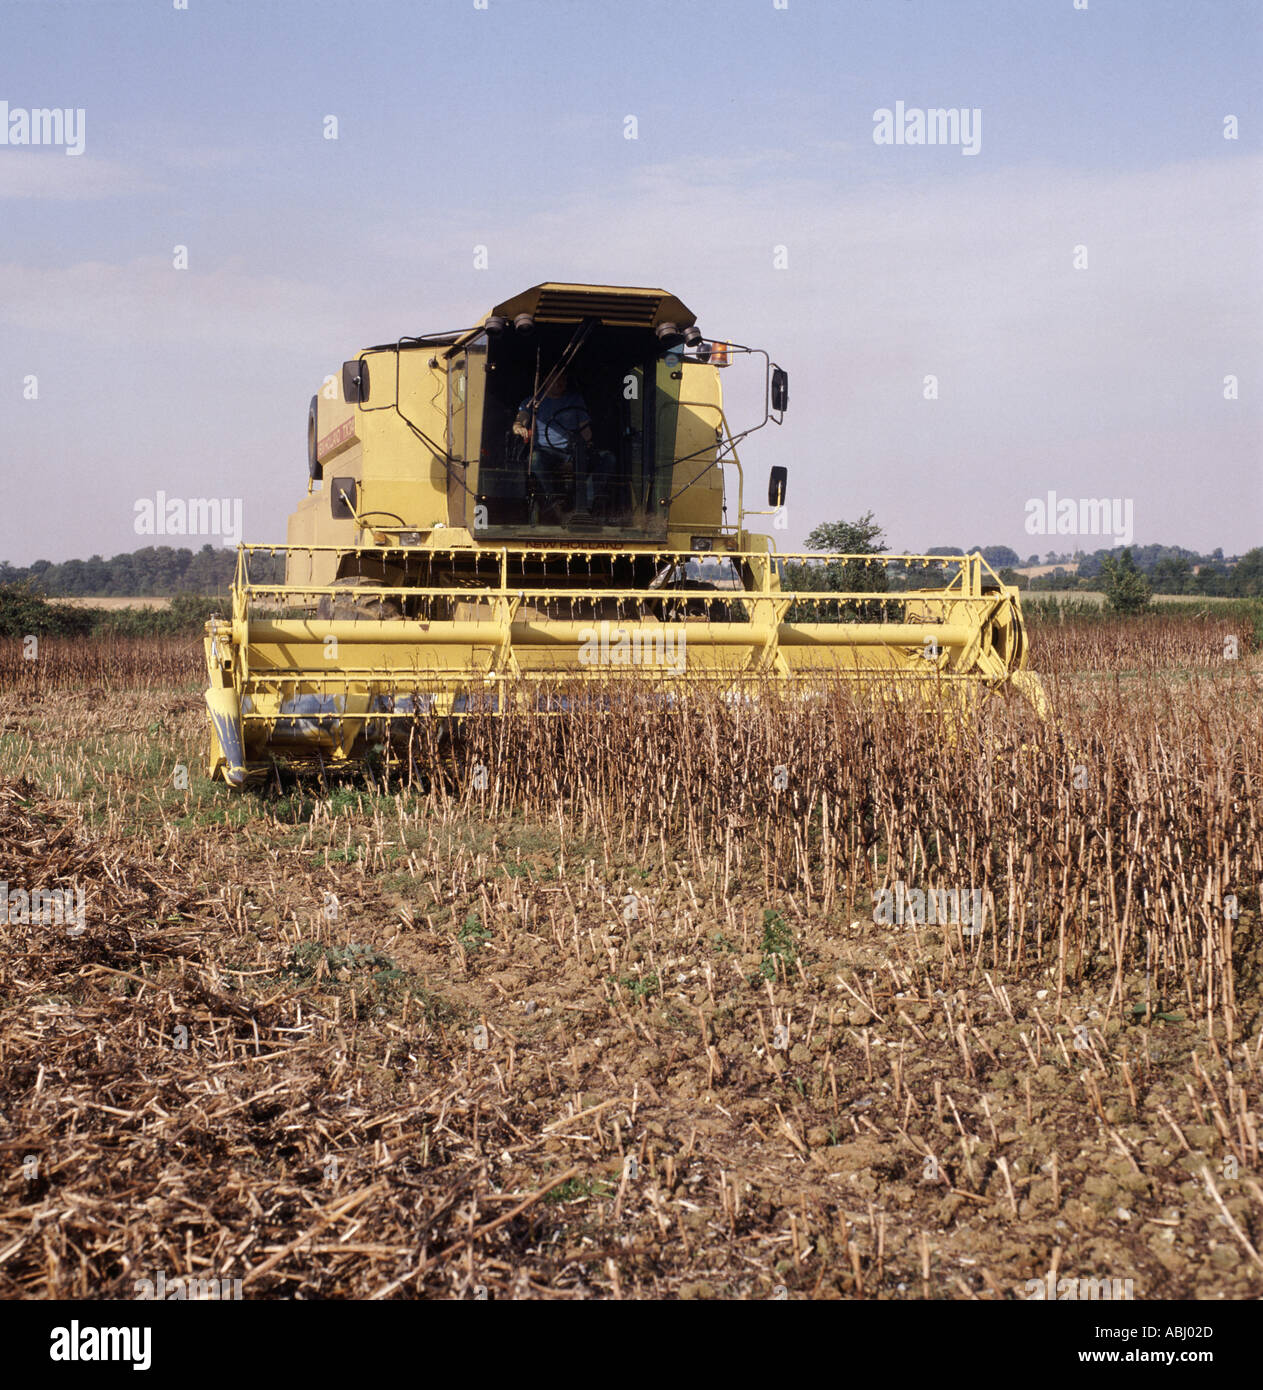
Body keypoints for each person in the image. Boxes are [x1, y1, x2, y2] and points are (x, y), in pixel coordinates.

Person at [513, 369, 595, 520]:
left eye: (563, 379)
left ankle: (588, 506)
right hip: (546, 452)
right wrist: (519, 427)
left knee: (607, 459)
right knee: (535, 459)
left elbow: (585, 429)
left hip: (571, 452)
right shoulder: (533, 402)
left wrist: (586, 444)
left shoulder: (575, 400)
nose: (559, 383)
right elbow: (521, 419)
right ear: (546, 381)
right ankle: (555, 502)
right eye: (555, 379)